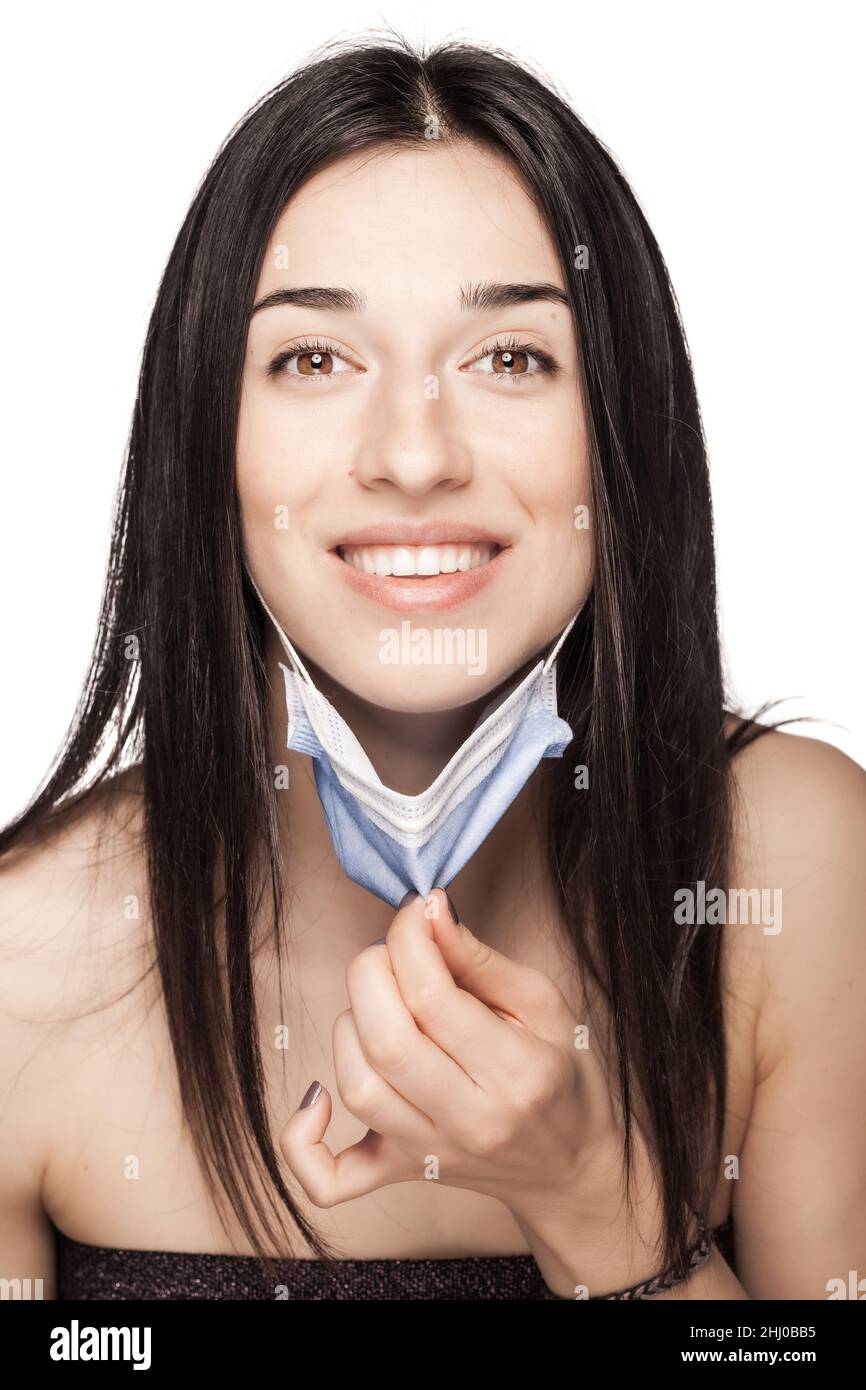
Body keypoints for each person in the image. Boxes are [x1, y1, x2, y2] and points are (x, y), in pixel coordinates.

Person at [1, 33, 864, 1302]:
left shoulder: (787, 872)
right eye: (313, 359)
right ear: (203, 446)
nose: (413, 456)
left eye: (510, 357)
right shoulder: (22, 962)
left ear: (620, 435)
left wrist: (600, 1211)